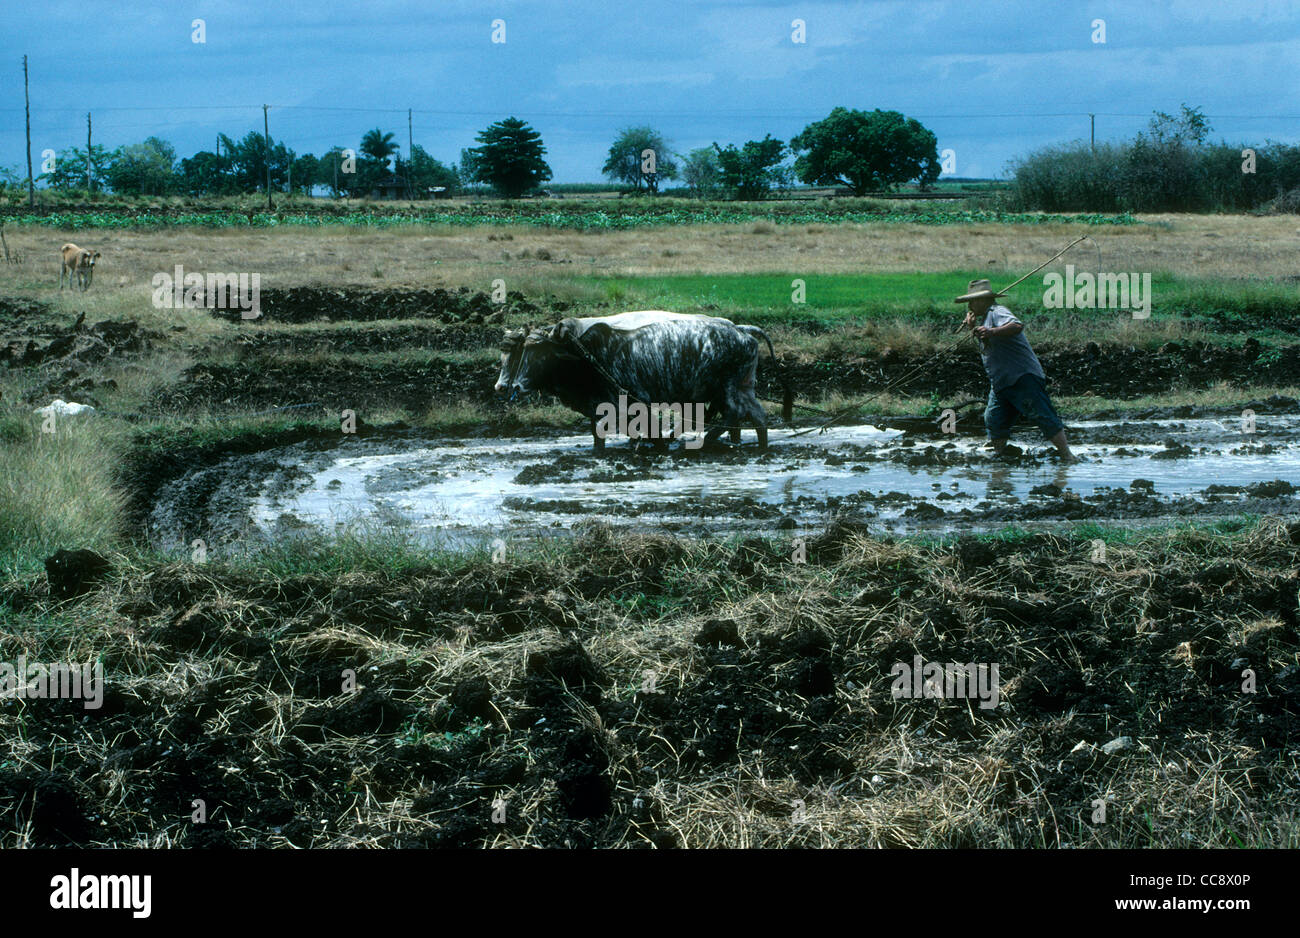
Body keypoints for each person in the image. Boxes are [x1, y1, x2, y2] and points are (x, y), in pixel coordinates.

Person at [956, 278, 1075, 462]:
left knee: (1041, 414)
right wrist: (974, 329)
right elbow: (988, 346)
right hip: (1001, 381)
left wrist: (992, 332)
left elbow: (1017, 326)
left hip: (1021, 377)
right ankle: (1000, 456)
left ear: (982, 301)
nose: (970, 305)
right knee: (994, 418)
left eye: (972, 301)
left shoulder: (997, 311)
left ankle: (1067, 455)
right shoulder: (986, 319)